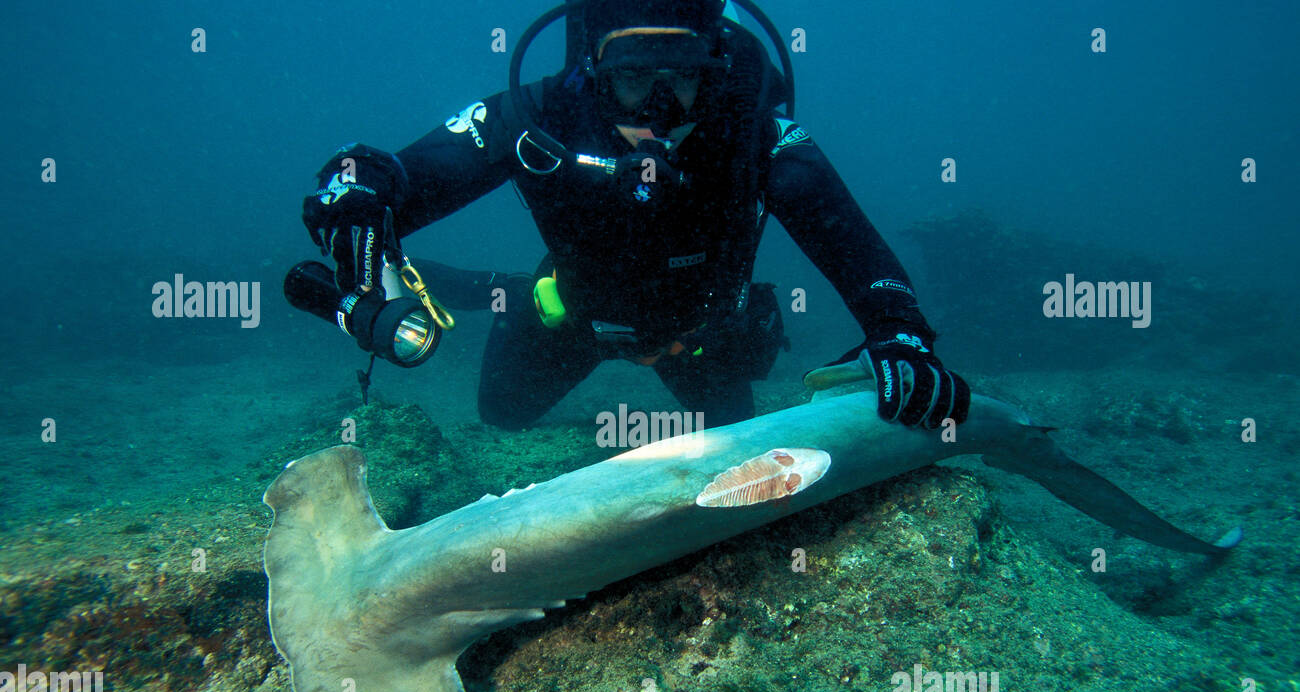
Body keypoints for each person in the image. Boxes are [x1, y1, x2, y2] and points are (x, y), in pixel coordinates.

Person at [302, 0, 969, 430]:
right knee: (500, 412)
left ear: (712, 70)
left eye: (679, 77)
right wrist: (356, 192)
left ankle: (509, 288)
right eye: (630, 78)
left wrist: (898, 331)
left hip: (698, 332)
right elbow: (392, 175)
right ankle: (510, 293)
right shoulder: (537, 117)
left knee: (733, 443)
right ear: (593, 69)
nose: (657, 110)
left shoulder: (750, 129)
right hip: (576, 318)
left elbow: (846, 234)